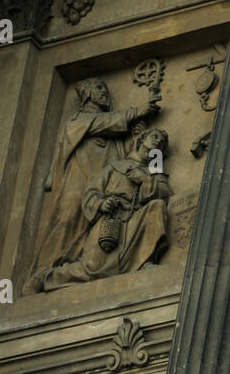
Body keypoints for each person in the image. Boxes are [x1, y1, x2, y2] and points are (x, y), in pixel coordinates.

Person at [27, 78, 158, 290]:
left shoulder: (113, 130)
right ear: (86, 93)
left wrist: (139, 131)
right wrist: (136, 112)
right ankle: (44, 270)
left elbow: (127, 155)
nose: (104, 92)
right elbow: (102, 123)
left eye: (105, 88)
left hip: (103, 186)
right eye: (99, 88)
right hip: (78, 179)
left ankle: (89, 266)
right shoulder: (78, 121)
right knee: (68, 215)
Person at [33, 127, 171, 291]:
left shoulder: (155, 172)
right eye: (154, 136)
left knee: (157, 206)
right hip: (110, 220)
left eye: (161, 142)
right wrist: (102, 204)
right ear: (141, 139)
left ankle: (142, 261)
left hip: (135, 221)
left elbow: (165, 193)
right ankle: (47, 278)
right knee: (93, 268)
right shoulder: (116, 167)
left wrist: (145, 179)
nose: (158, 141)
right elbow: (92, 193)